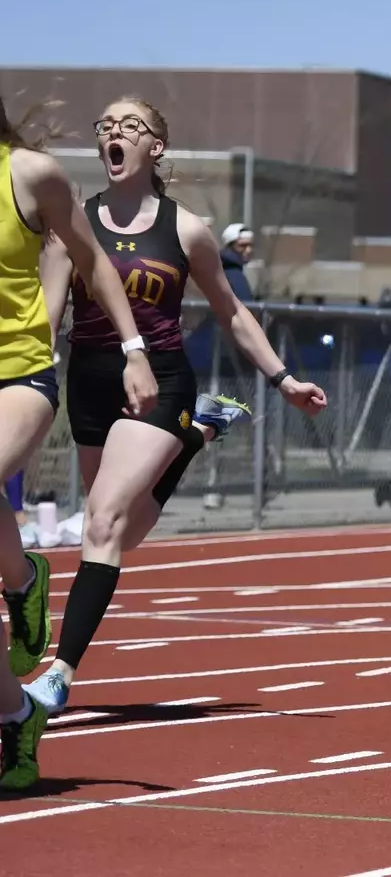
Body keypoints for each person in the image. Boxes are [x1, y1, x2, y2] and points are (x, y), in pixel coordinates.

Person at [23, 98, 327, 718]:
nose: (114, 133)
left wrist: (283, 378)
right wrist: (28, 383)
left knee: (104, 519)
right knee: (118, 534)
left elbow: (232, 312)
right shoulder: (70, 228)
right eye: (104, 125)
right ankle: (194, 441)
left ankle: (59, 673)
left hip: (160, 384)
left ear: (155, 147)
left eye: (129, 126)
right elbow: (48, 322)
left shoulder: (186, 230)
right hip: (90, 385)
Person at [0, 95, 157, 789]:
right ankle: (14, 714)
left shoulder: (31, 175)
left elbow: (93, 262)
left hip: (17, 378)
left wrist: (133, 348)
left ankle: (23, 580)